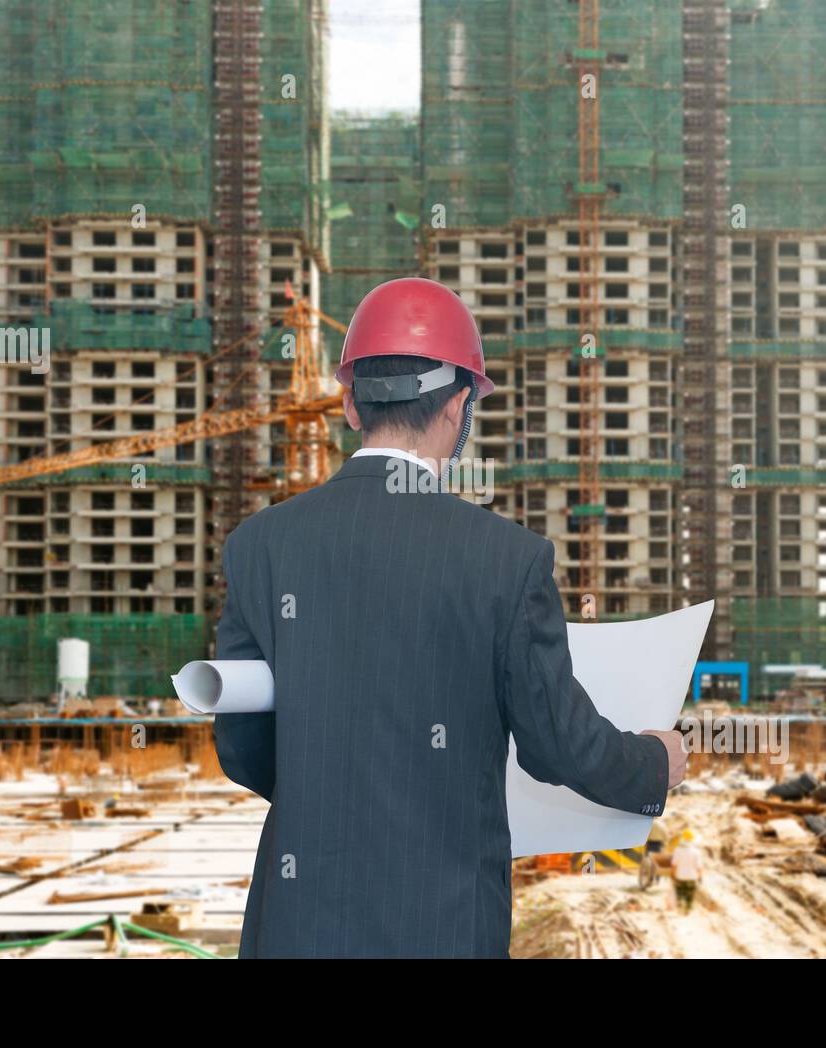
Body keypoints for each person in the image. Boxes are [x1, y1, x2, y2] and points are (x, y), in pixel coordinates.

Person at [213, 277, 688, 958]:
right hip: (440, 928)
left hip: (296, 927)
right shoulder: (506, 560)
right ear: (460, 405)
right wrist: (652, 762)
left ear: (349, 403)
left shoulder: (258, 546)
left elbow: (243, 748)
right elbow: (559, 745)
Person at [670, 829, 703, 913]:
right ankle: (687, 910)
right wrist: (700, 877)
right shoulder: (696, 852)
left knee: (680, 893)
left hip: (680, 876)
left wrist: (673, 875)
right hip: (692, 877)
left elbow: (674, 865)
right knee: (690, 896)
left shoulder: (678, 850)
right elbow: (699, 867)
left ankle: (680, 907)